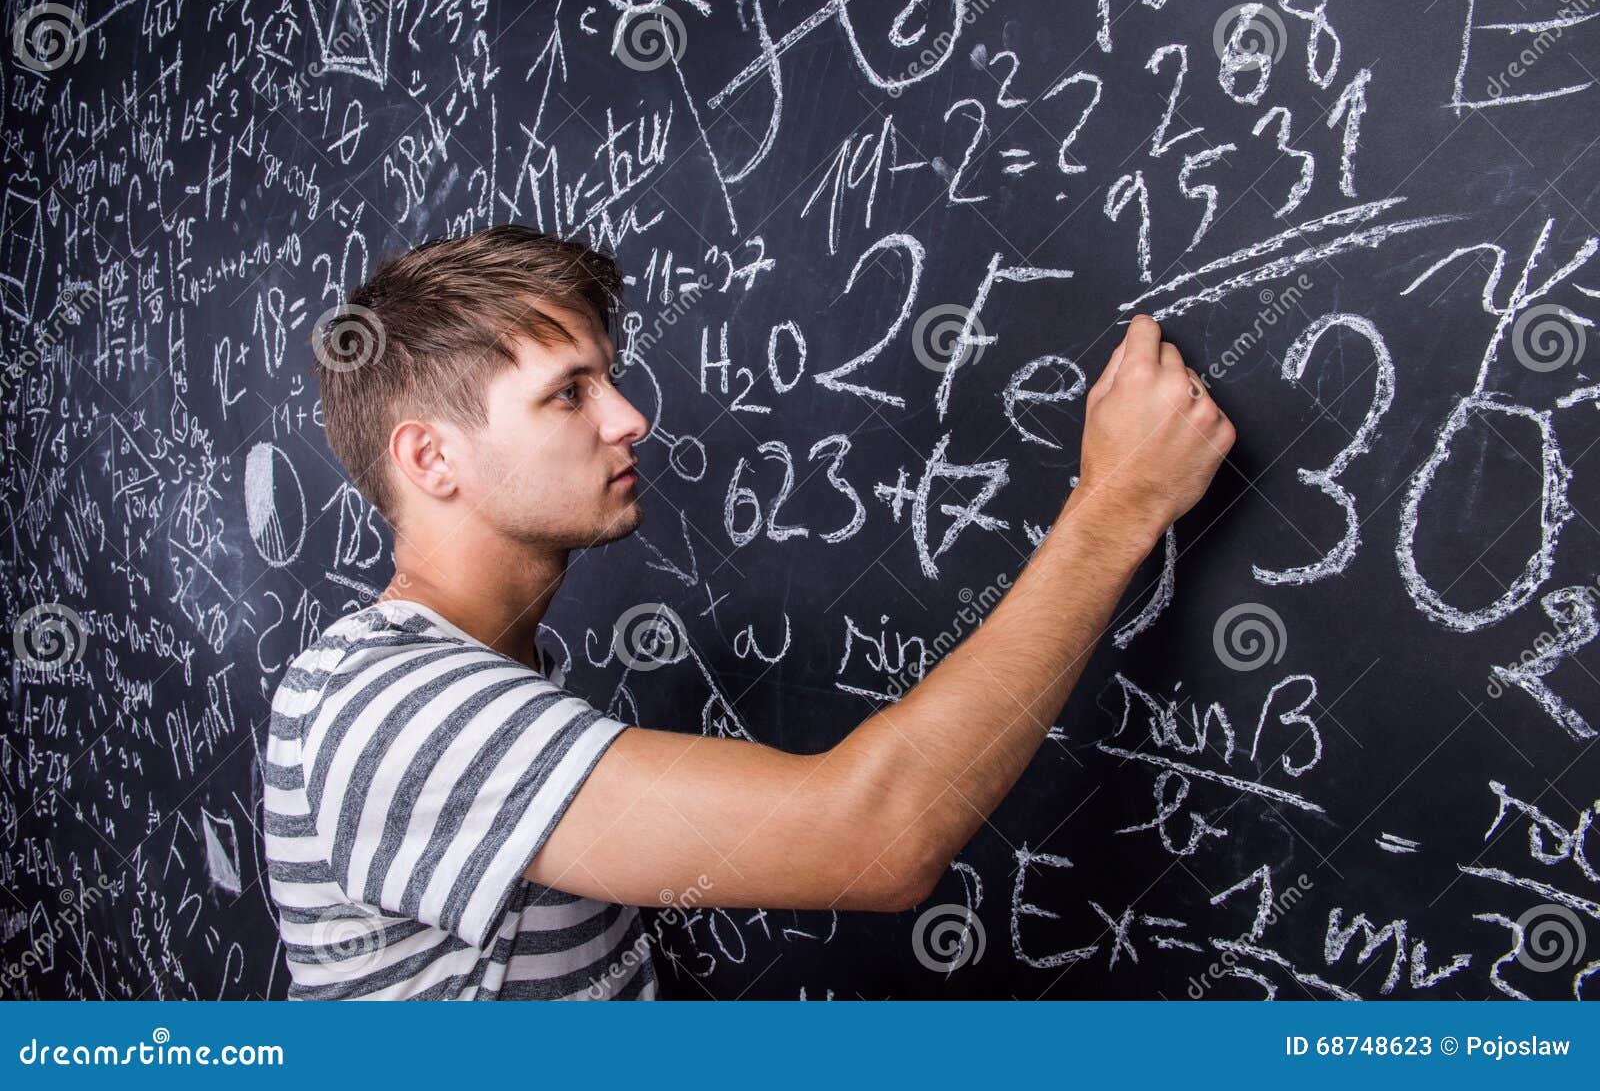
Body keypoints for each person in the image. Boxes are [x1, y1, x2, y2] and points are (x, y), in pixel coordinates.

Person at [263, 224, 1235, 1000]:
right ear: (431, 460)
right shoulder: (398, 707)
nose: (628, 416)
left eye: (607, 375)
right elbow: (874, 840)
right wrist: (1117, 507)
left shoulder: (465, 679)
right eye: (568, 395)